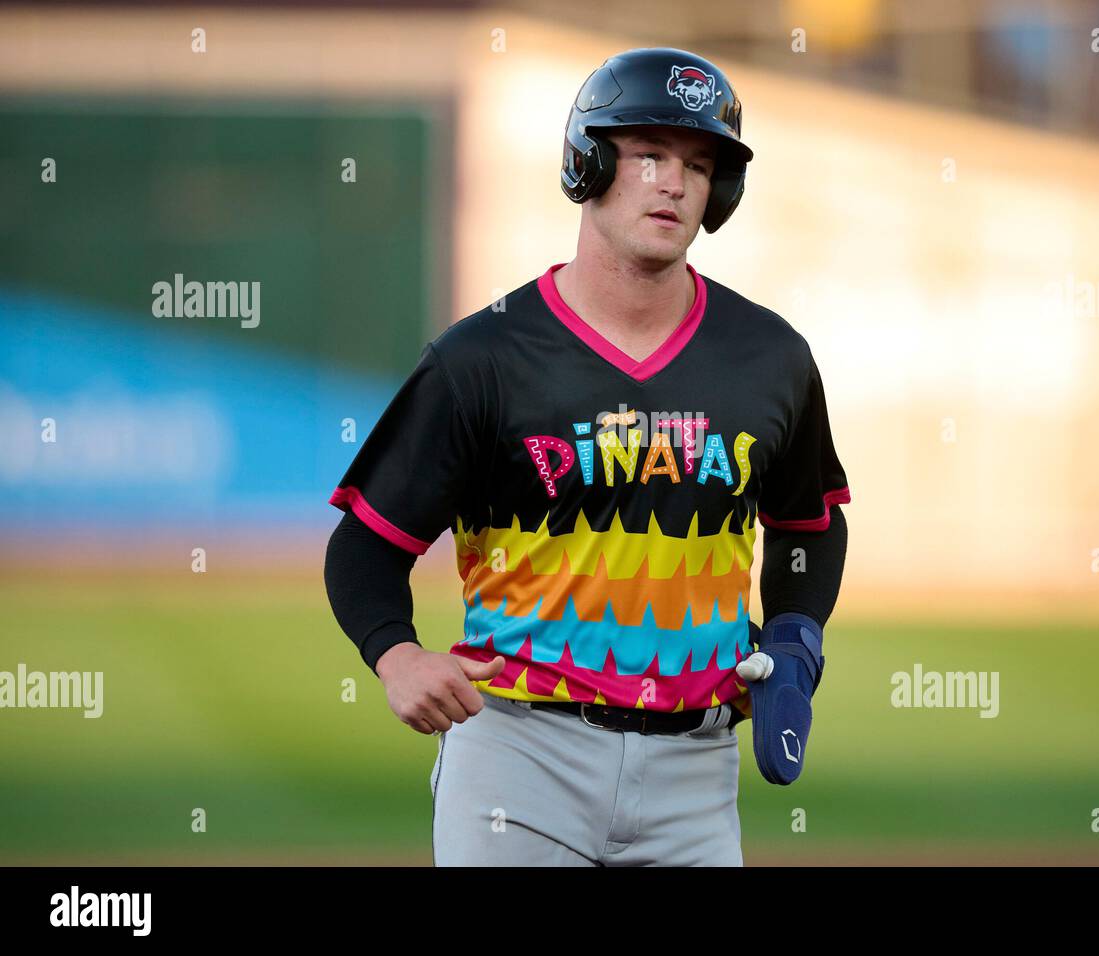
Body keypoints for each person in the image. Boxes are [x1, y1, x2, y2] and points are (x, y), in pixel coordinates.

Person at [324, 47, 850, 866]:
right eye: (648, 155)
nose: (673, 182)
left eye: (699, 164)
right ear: (589, 162)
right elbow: (365, 544)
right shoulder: (483, 359)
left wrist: (792, 640)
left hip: (696, 772)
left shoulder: (770, 357)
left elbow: (809, 523)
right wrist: (396, 655)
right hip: (518, 756)